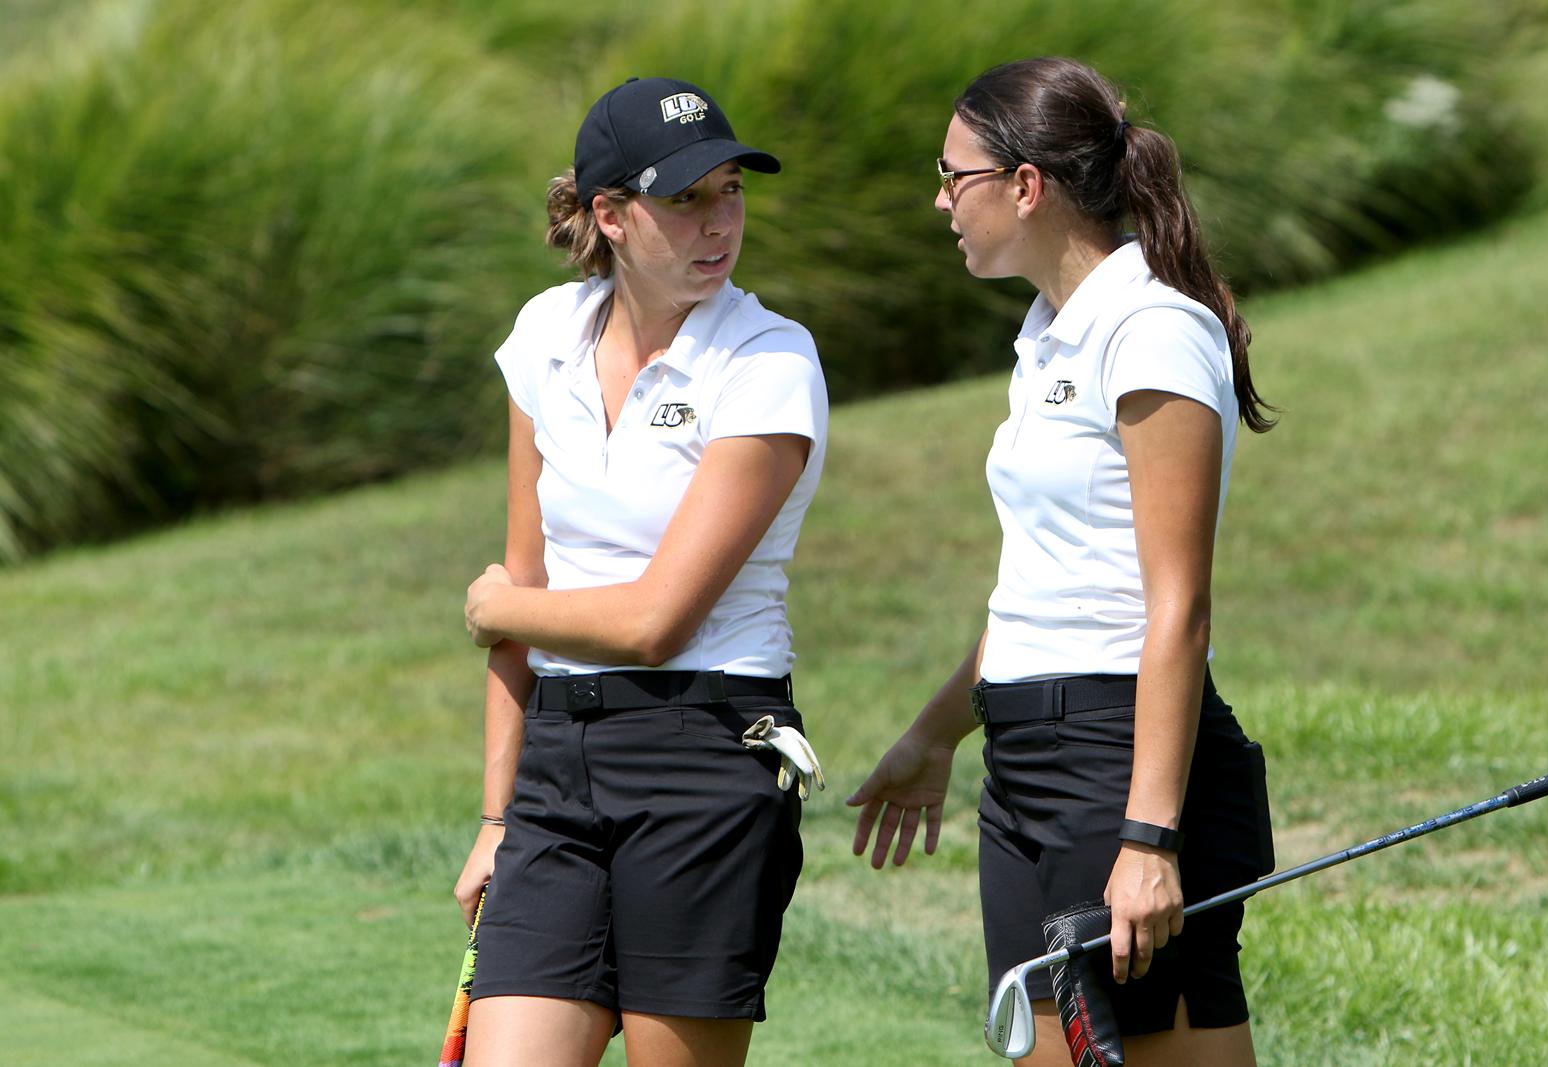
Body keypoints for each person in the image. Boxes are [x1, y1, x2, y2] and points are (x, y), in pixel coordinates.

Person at [847, 57, 1276, 1067]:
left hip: (1120, 760)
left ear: (1025, 185)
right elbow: (1040, 585)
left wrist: (1149, 835)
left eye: (955, 178)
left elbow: (1175, 606)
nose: (939, 199)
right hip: (1027, 765)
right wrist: (934, 733)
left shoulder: (1151, 328)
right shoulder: (1046, 334)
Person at [452, 76, 828, 1067]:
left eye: (731, 192)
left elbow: (654, 619)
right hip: (558, 763)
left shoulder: (767, 362)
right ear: (610, 215)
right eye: (685, 199)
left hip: (705, 750)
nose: (719, 222)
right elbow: (525, 582)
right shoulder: (544, 336)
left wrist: (502, 604)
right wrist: (497, 815)